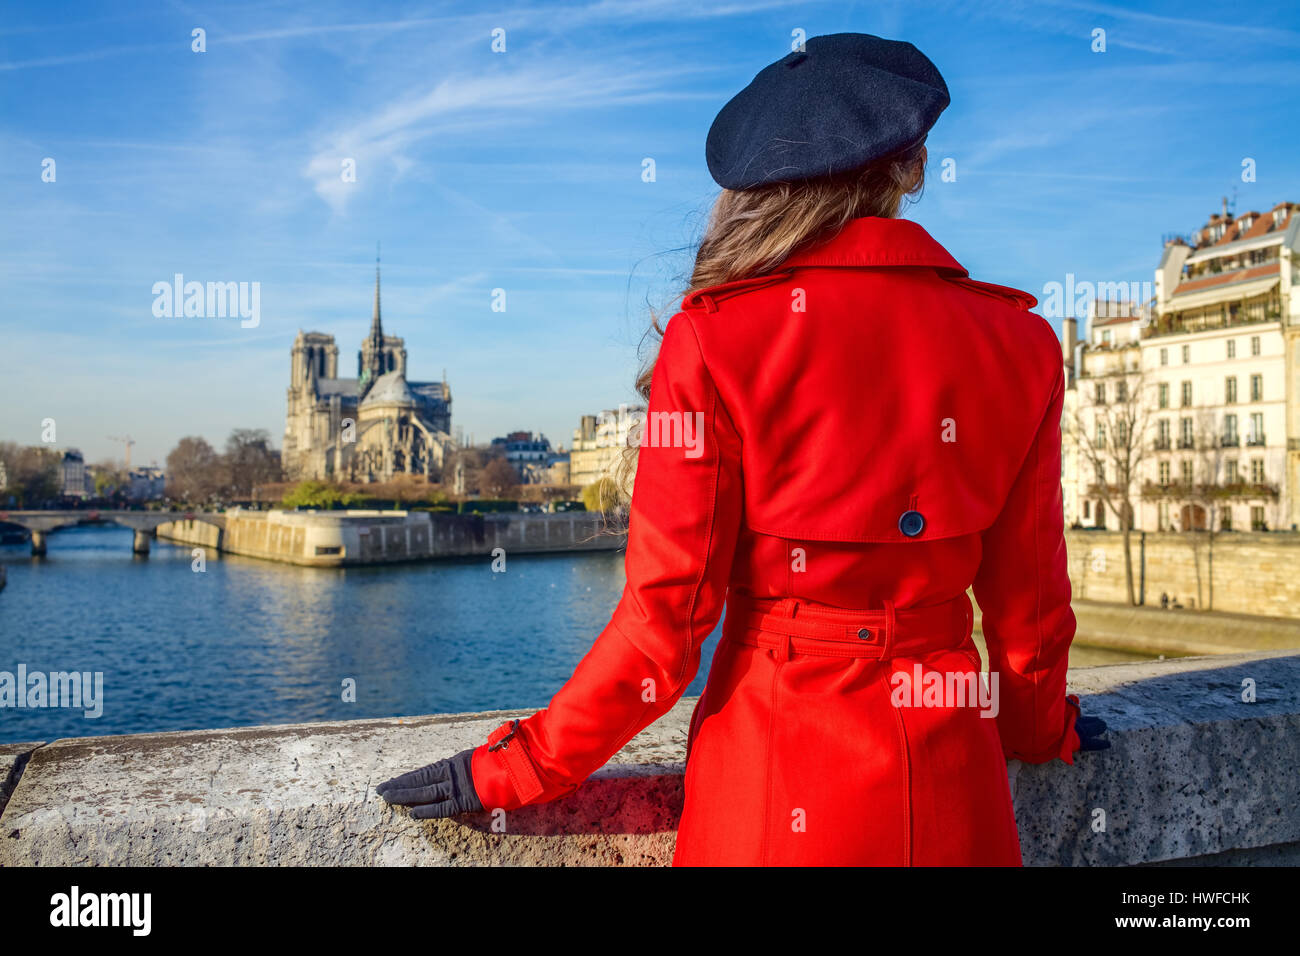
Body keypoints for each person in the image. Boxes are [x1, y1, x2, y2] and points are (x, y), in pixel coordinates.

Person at [379, 32, 1108, 866]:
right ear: (911, 166)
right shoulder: (1017, 343)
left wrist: (524, 762)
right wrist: (1042, 728)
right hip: (955, 782)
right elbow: (1031, 607)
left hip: (776, 775)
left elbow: (666, 629)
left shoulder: (716, 339)